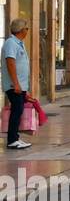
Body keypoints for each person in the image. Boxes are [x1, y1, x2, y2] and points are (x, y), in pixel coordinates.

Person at [3, 17, 33, 150]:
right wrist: (15, 83)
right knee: (17, 110)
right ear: (21, 30)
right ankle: (12, 140)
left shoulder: (19, 43)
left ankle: (15, 137)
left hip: (20, 85)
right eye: (27, 28)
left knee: (18, 110)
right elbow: (10, 62)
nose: (28, 31)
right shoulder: (11, 43)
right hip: (13, 85)